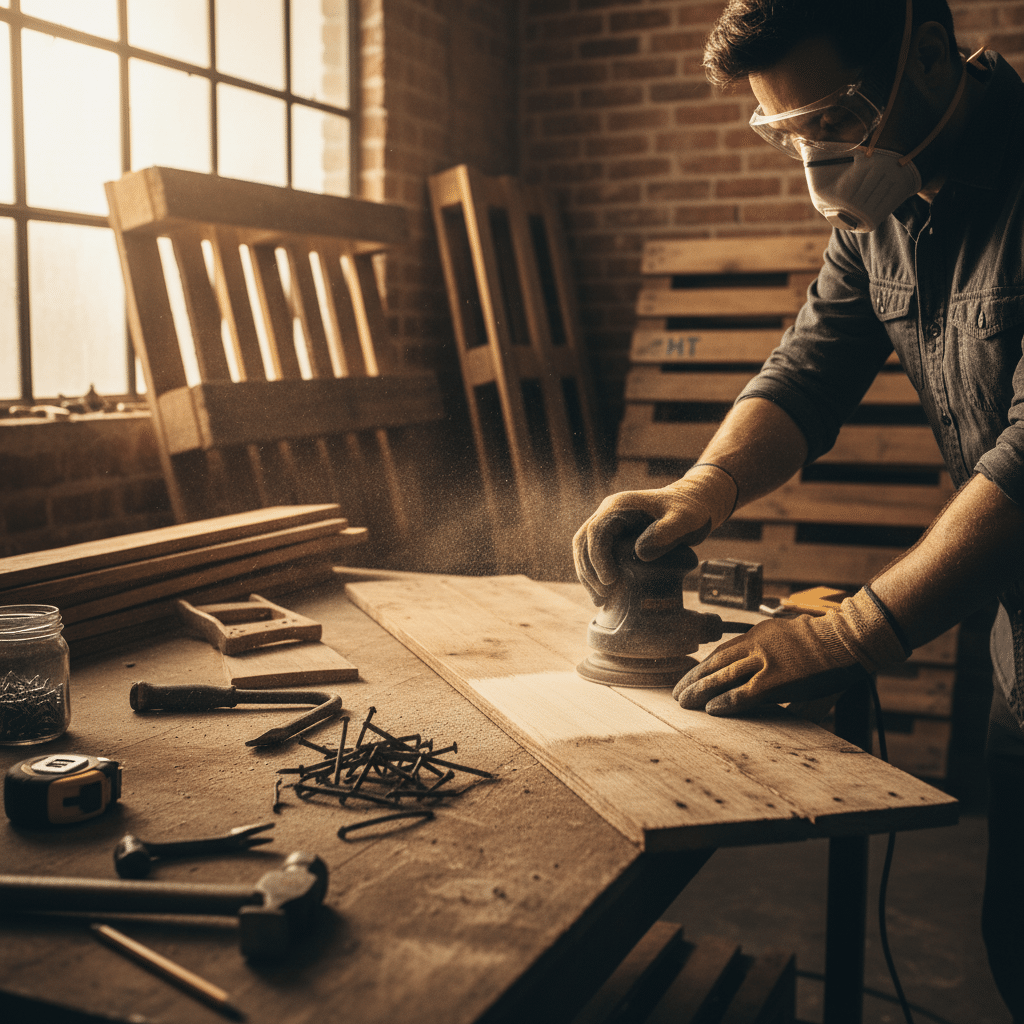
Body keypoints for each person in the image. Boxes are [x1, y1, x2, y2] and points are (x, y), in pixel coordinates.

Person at [572, 0, 1024, 1017]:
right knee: (1018, 942)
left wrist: (852, 632)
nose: (815, 159)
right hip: (1022, 661)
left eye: (832, 120)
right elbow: (807, 369)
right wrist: (702, 487)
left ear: (921, 51)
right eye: (786, 134)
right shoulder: (886, 208)